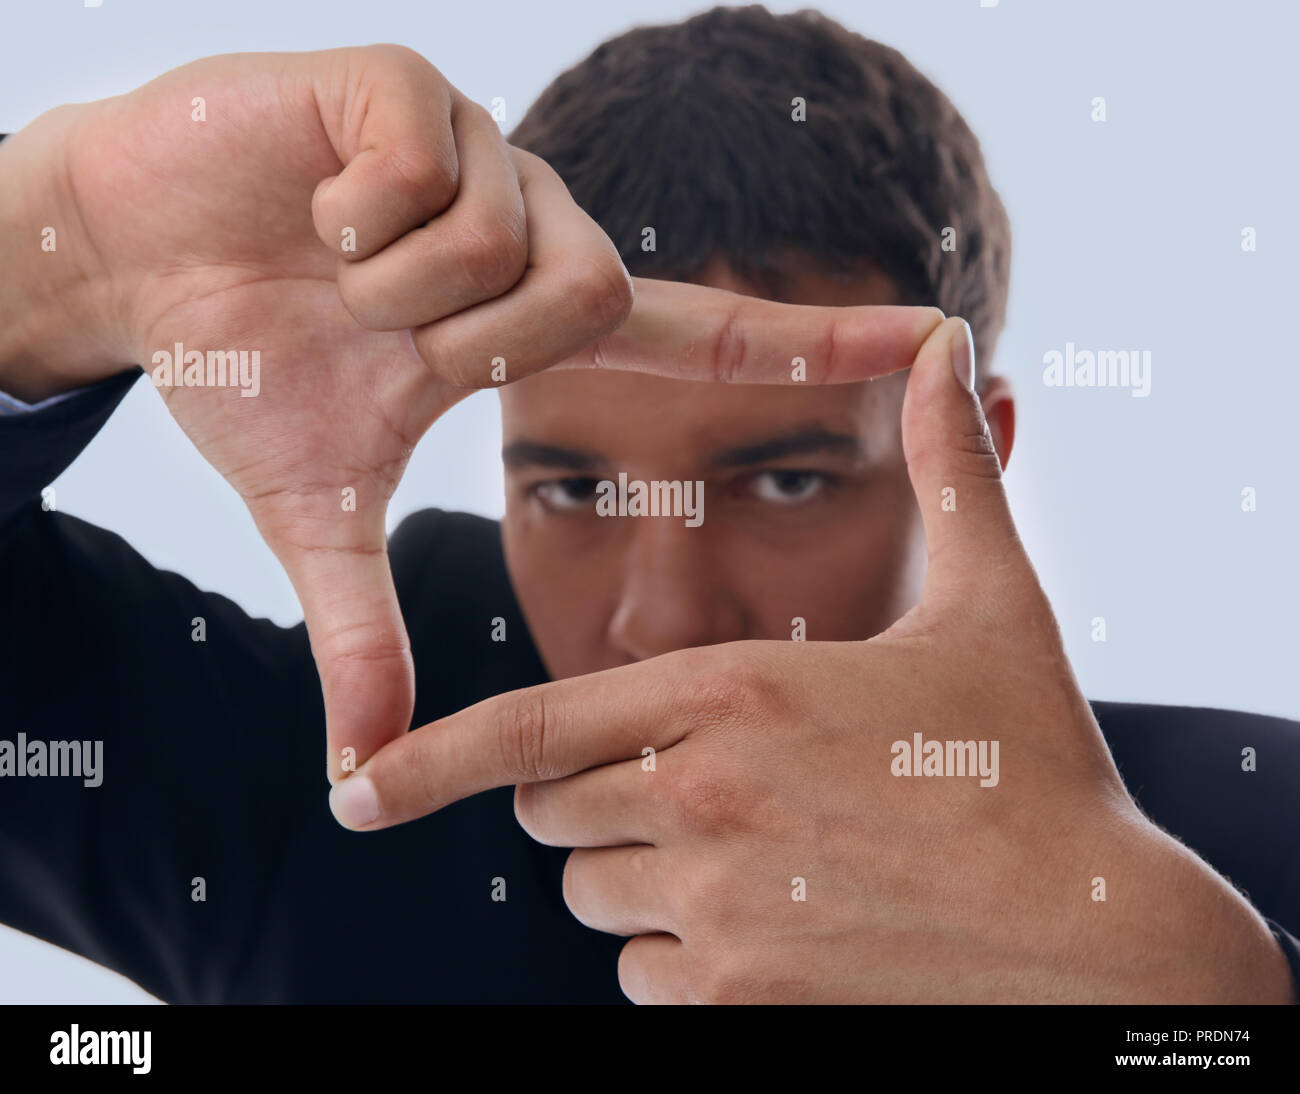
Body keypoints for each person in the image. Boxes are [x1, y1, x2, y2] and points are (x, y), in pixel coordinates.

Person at [1, 7, 1296, 1004]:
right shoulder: (339, 785)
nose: (665, 614)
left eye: (786, 480)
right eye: (570, 487)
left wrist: (1207, 1000)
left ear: (980, 459)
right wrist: (58, 249)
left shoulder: (1247, 836)